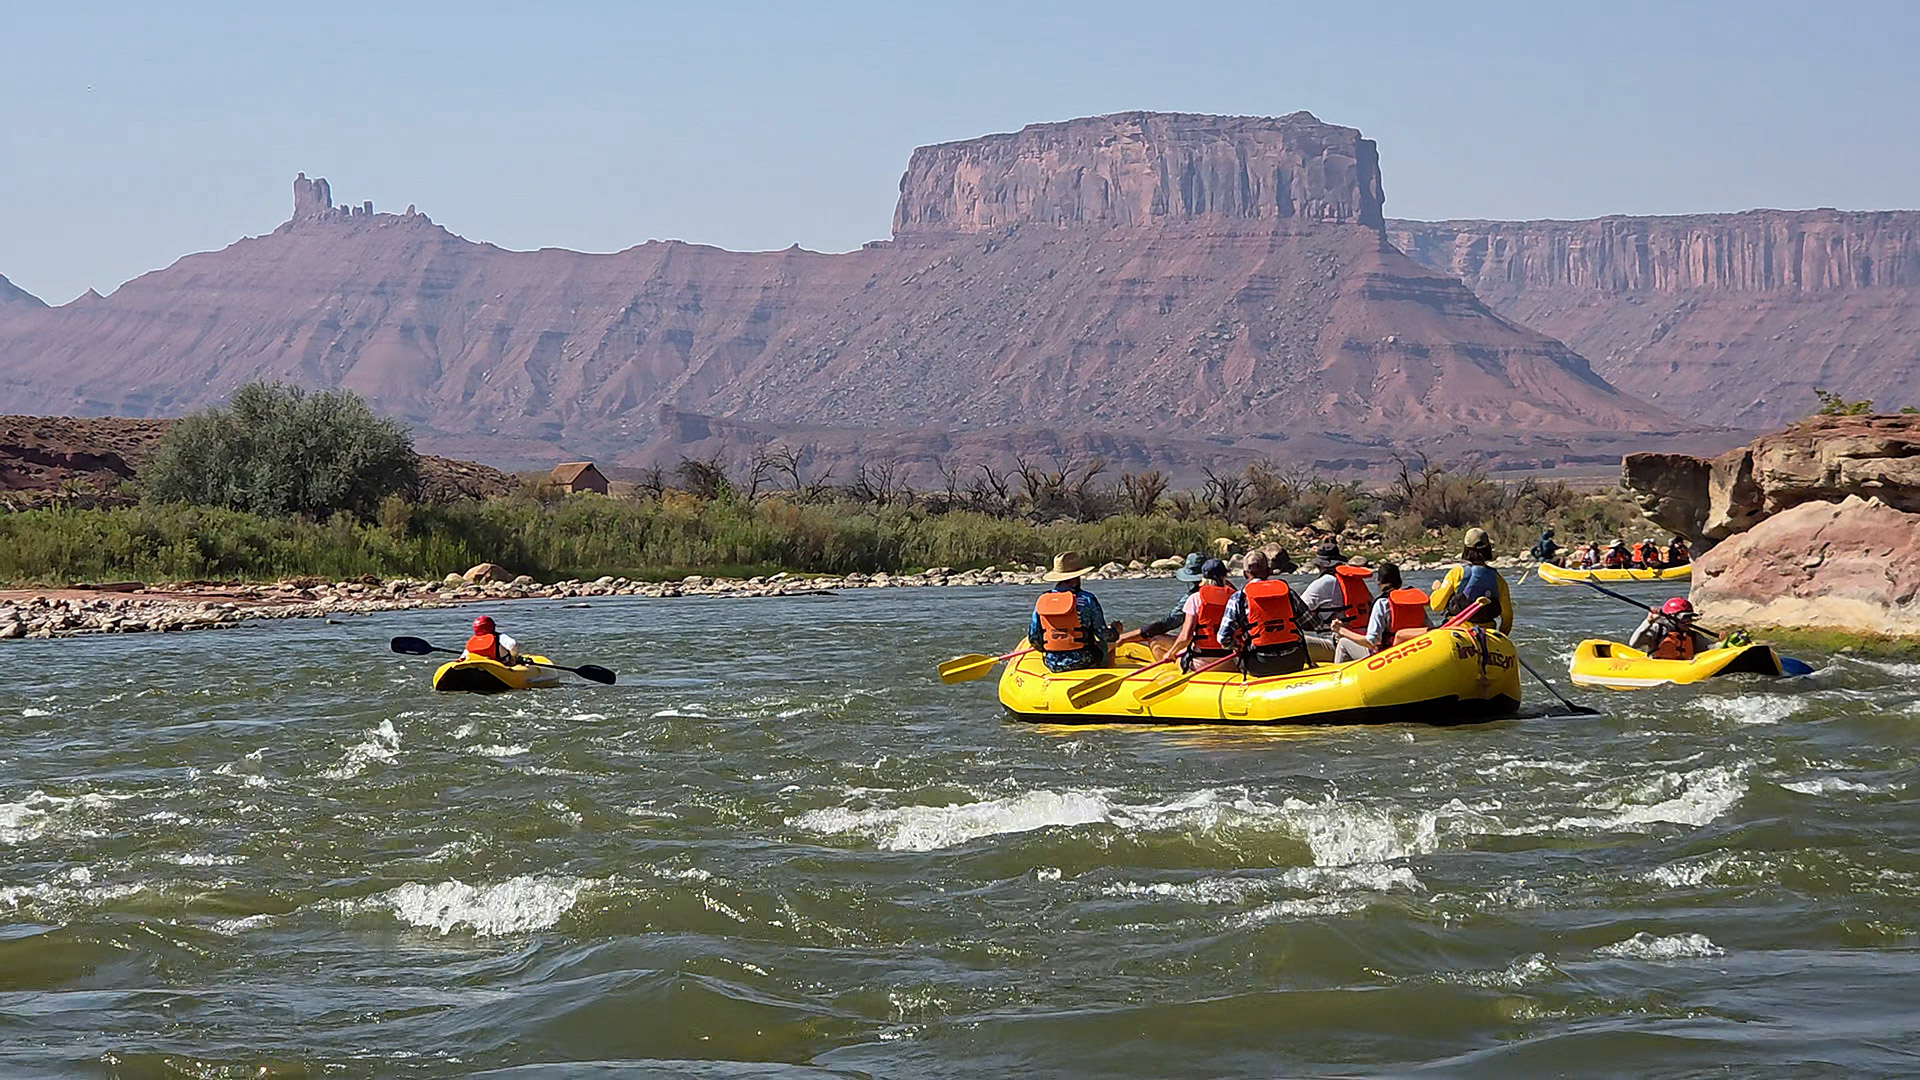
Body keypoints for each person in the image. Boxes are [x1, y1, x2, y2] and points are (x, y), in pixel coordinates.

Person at [1218, 549, 1314, 676]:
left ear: (1245, 574)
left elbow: (1223, 638)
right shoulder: (1287, 593)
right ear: (1268, 571)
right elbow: (1313, 624)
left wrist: (1239, 645)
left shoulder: (1238, 598)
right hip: (1293, 661)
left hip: (1259, 664)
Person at [1028, 552, 1122, 673]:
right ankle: (1108, 674)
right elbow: (1103, 635)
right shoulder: (1088, 599)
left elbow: (1034, 638)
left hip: (1052, 663)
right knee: (1108, 644)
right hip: (1084, 660)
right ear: (1077, 576)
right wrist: (1115, 631)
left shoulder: (1043, 600)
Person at [1332, 562, 1433, 662]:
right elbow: (1429, 628)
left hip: (1387, 655)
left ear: (1378, 582)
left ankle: (1336, 676)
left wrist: (1342, 630)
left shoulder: (1382, 603)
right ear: (1400, 582)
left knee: (1343, 643)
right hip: (1414, 650)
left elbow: (1371, 641)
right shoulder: (1413, 600)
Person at [1116, 552, 1204, 657]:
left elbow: (1167, 624)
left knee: (1156, 642)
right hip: (1224, 652)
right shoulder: (1228, 591)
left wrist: (1125, 638)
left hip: (1201, 651)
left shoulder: (1193, 598)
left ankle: (1169, 670)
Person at [1429, 527, 1513, 633]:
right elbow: (1507, 618)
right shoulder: (1498, 579)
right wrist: (1501, 638)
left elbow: (1436, 606)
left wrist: (1437, 589)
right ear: (1488, 549)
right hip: (1486, 632)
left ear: (1466, 549)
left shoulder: (1457, 573)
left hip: (1457, 630)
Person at [1162, 558, 1237, 671]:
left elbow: (1186, 636)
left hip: (1201, 664)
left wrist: (1171, 653)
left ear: (1203, 577)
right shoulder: (1236, 598)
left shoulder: (1195, 598)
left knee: (1158, 647)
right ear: (1224, 576)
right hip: (1230, 661)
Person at [1299, 541, 1373, 632]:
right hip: (1362, 634)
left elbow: (1298, 610)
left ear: (1321, 565)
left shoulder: (1324, 582)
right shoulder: (1355, 580)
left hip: (1334, 637)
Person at [1629, 597, 1716, 660]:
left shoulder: (1692, 635)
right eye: (1685, 617)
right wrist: (1648, 622)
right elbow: (1634, 644)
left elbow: (1712, 648)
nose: (1689, 621)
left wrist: (1723, 641)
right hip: (1658, 666)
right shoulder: (1658, 630)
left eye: (1690, 617)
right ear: (1671, 617)